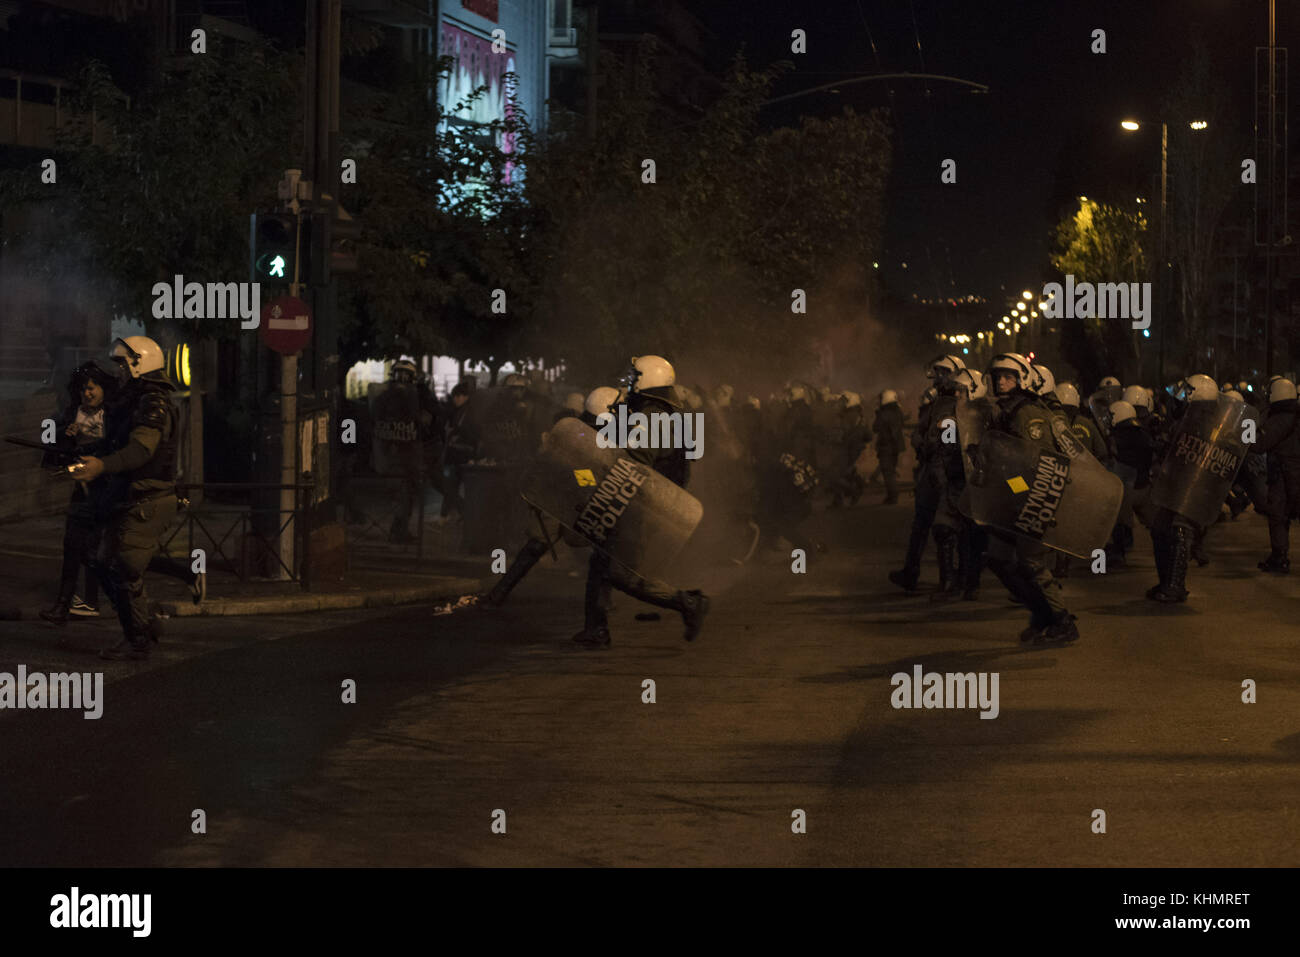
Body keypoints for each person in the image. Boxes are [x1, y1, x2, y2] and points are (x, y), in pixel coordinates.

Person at [574, 355, 709, 648]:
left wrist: (609, 448)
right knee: (600, 560)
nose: (630, 382)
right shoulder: (669, 411)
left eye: (635, 377)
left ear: (648, 379)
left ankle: (687, 602)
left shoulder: (651, 415)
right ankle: (595, 629)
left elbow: (635, 462)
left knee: (622, 573)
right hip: (649, 498)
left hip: (643, 502)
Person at [72, 336, 180, 660]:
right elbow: (117, 443)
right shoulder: (135, 400)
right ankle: (142, 627)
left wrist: (101, 466)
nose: (118, 371)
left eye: (122, 364)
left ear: (138, 363)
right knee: (102, 562)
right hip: (129, 495)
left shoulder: (153, 403)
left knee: (125, 569)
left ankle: (138, 641)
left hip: (146, 499)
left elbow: (141, 449)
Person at [981, 353, 1078, 643]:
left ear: (1022, 379)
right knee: (998, 559)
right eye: (998, 376)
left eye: (1008, 376)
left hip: (1031, 497)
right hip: (1010, 497)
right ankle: (1041, 615)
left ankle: (1062, 621)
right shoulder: (1005, 410)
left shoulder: (1028, 414)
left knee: (1031, 562)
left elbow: (1037, 463)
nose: (1001, 381)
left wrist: (1018, 490)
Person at [39, 358, 131, 624]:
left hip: (108, 489)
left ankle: (100, 602)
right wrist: (67, 436)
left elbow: (119, 451)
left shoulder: (113, 415)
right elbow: (58, 448)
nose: (87, 393)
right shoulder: (73, 412)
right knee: (71, 545)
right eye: (83, 389)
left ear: (103, 388)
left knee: (99, 551)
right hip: (82, 489)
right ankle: (63, 605)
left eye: (92, 388)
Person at [1256, 376, 1300, 573]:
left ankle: (1279, 558)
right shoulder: (1293, 414)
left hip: (1284, 473)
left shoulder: (1280, 418)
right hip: (1291, 471)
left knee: (1278, 515)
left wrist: (1244, 428)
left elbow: (1258, 443)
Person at [438, 382, 477, 523]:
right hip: (462, 455)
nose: (455, 400)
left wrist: (454, 433)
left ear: (464, 397)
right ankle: (460, 513)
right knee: (453, 486)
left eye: (457, 396)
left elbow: (466, 433)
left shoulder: (464, 412)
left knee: (450, 486)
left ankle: (446, 515)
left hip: (457, 455)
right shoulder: (466, 411)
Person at [873, 389, 906, 504]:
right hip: (895, 446)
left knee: (887, 471)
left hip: (886, 446)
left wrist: (877, 413)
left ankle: (892, 496)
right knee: (890, 470)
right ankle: (893, 495)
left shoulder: (884, 414)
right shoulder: (898, 411)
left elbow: (875, 427)